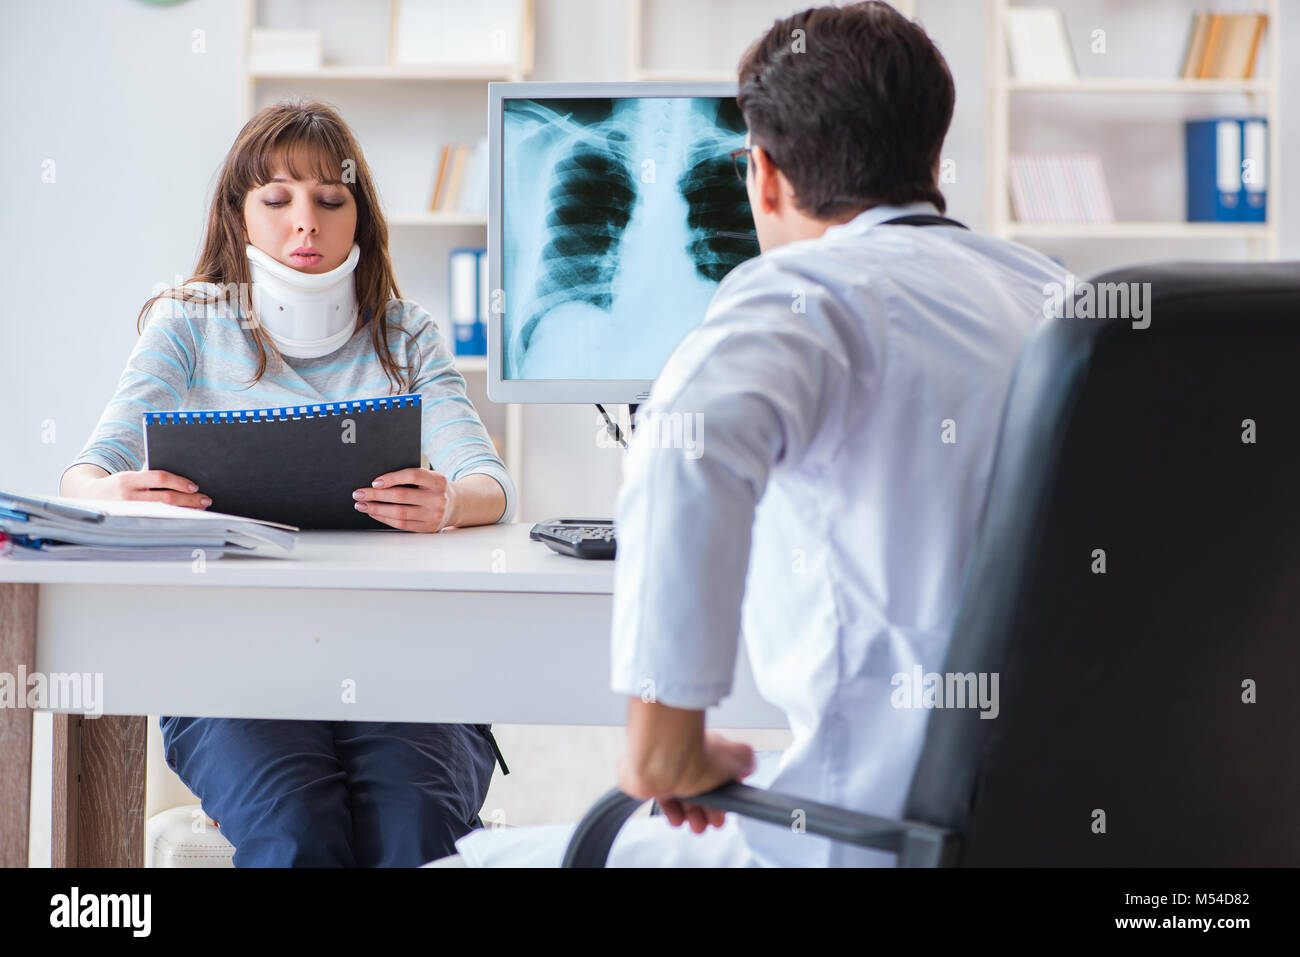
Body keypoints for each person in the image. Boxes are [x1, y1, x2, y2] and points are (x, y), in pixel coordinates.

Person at [431, 0, 1070, 867]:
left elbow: (684, 447)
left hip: (871, 837)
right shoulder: (1053, 294)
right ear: (931, 155)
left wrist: (667, 742)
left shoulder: (803, 291)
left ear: (761, 175)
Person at [59, 99, 516, 867]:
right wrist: (113, 493)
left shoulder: (406, 333)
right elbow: (82, 476)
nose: (305, 222)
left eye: (329, 201)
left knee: (415, 836)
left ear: (358, 221)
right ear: (239, 218)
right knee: (297, 836)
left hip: (399, 658)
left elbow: (489, 483)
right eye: (276, 200)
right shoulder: (188, 325)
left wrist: (452, 503)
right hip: (233, 664)